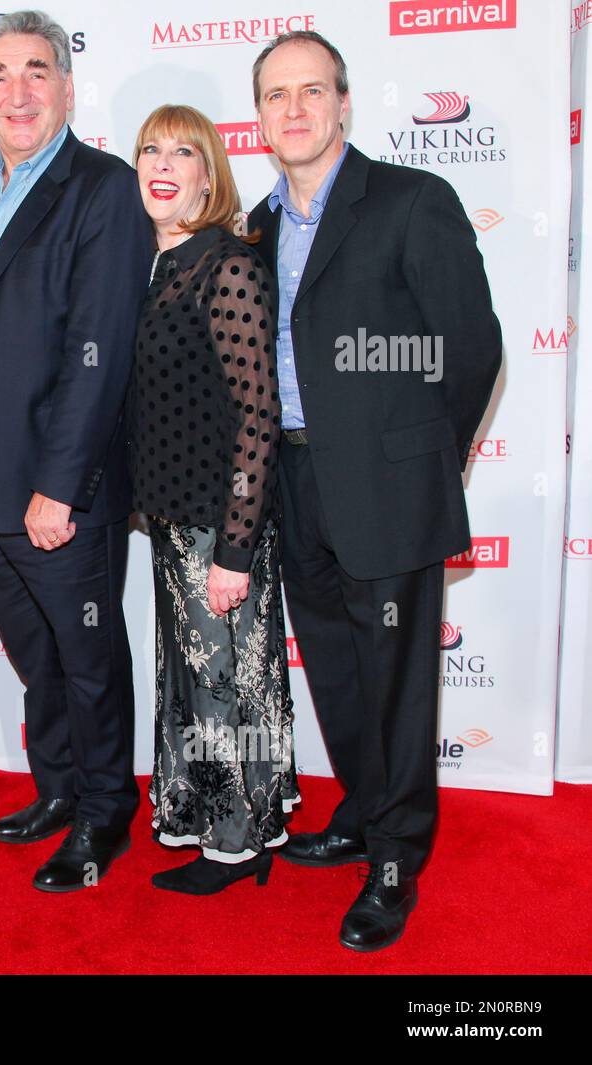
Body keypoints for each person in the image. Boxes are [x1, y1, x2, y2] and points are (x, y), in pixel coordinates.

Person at [246, 30, 502, 950]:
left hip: (387, 488)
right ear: (261, 116)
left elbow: (470, 348)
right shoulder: (259, 223)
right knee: (343, 676)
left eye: (312, 90)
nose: (296, 108)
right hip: (295, 481)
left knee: (395, 686)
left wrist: (426, 456)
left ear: (344, 102)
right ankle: (361, 812)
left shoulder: (409, 200)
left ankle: (396, 861)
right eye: (277, 95)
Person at [0, 11, 152, 892]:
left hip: (59, 486)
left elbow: (97, 350)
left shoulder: (102, 187)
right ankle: (59, 790)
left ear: (67, 86)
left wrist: (60, 486)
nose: (17, 90)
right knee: (39, 658)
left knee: (89, 660)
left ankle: (106, 815)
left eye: (36, 71)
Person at [128, 104, 298, 895]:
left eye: (183, 152)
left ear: (209, 174)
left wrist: (234, 549)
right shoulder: (164, 264)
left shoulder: (225, 265)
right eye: (150, 150)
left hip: (218, 523)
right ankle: (216, 813)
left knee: (226, 679)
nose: (163, 164)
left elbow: (257, 417)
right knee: (202, 677)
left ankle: (239, 843)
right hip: (173, 518)